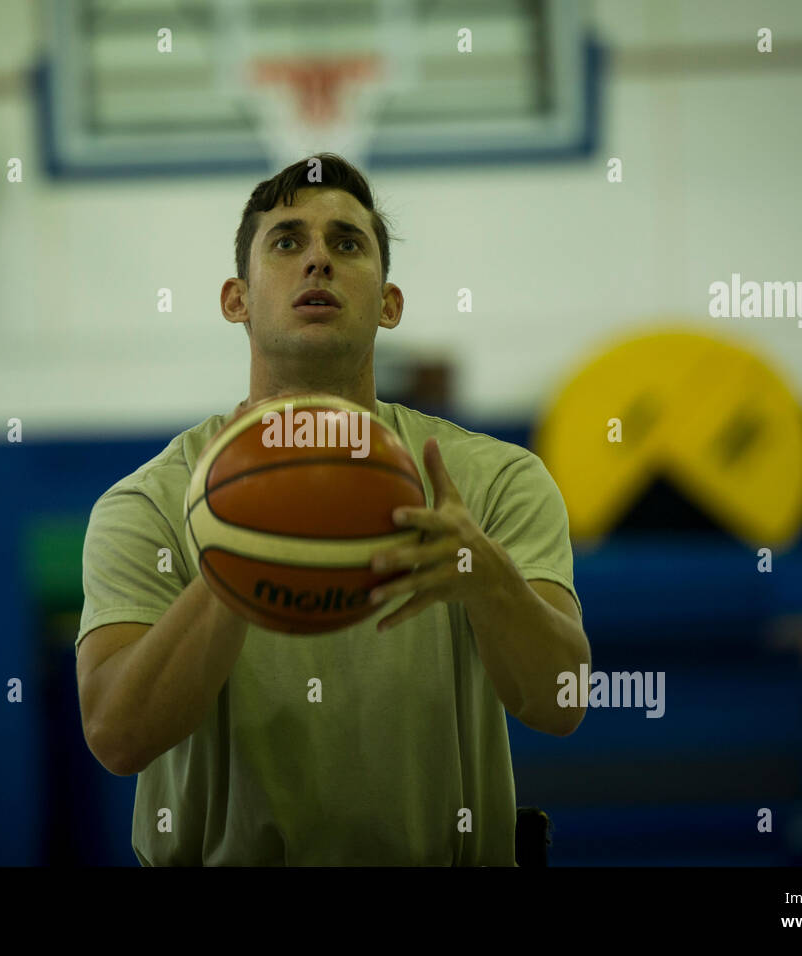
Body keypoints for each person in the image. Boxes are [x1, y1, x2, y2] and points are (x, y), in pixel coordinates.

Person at [75, 153, 591, 866]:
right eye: (287, 241)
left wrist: (485, 575)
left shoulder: (493, 478)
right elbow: (116, 736)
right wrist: (241, 557)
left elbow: (561, 702)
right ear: (237, 298)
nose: (318, 259)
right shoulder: (148, 503)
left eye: (347, 243)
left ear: (389, 302)